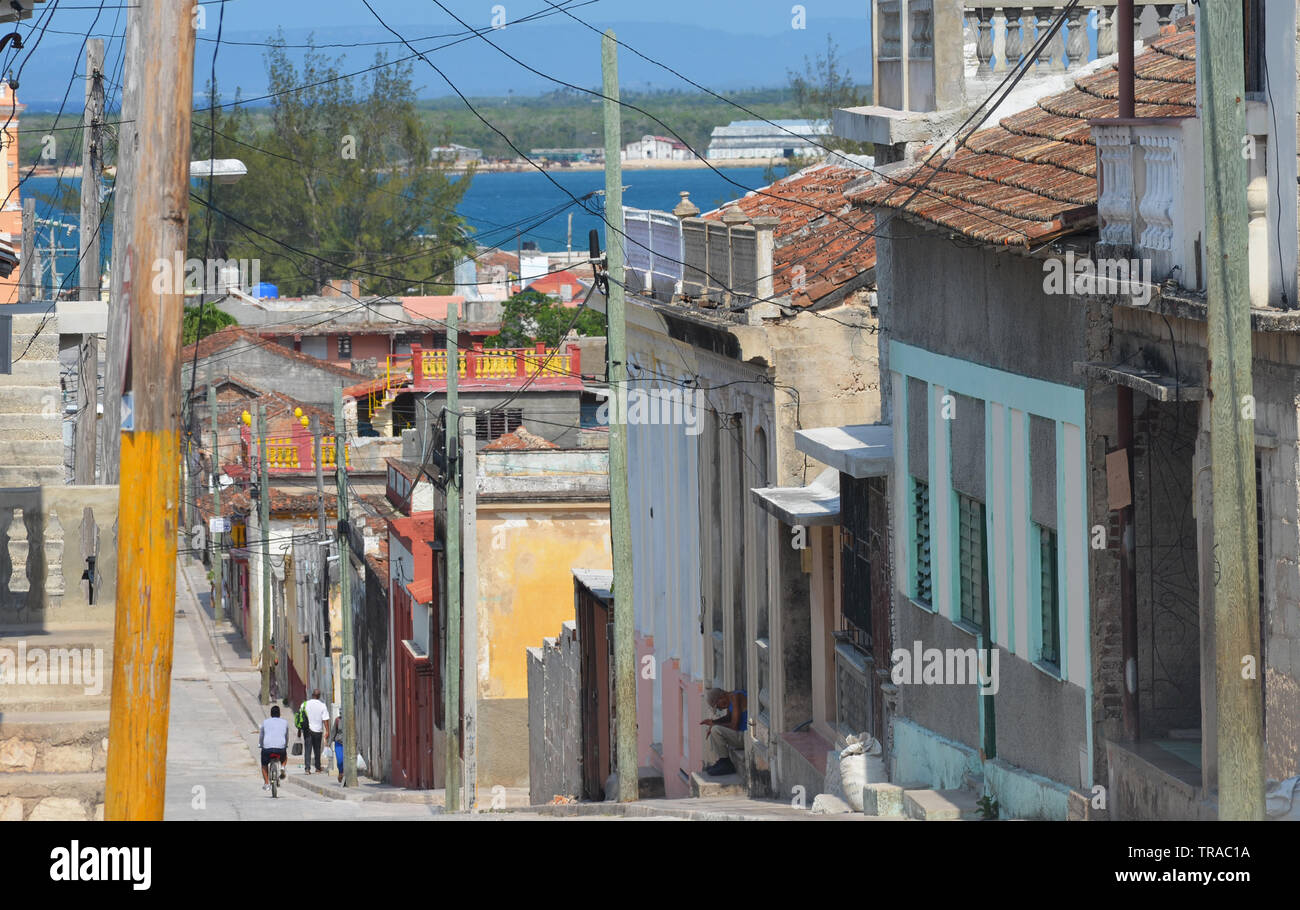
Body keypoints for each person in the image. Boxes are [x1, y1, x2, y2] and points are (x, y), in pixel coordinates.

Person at [699, 687, 747, 776]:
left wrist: (715, 725)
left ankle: (726, 763)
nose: (720, 709)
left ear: (722, 697)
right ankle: (722, 761)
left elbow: (734, 725)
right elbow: (728, 718)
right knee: (713, 729)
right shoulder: (730, 698)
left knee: (715, 730)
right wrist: (713, 722)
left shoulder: (735, 697)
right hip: (740, 736)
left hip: (745, 738)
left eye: (718, 706)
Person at [258, 705, 290, 791]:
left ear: (270, 714)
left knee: (264, 765)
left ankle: (266, 784)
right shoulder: (285, 722)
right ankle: (283, 767)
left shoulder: (265, 722)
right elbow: (286, 736)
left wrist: (260, 744)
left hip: (267, 748)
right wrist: (285, 745)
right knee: (284, 757)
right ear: (280, 714)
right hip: (280, 748)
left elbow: (261, 736)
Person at [301, 688, 330, 774]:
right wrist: (327, 731)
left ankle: (307, 769)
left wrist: (299, 731)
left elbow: (301, 718)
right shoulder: (322, 705)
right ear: (319, 696)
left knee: (307, 749)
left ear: (312, 695)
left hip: (307, 730)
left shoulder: (304, 704)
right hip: (318, 731)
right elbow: (325, 720)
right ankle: (317, 768)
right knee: (317, 750)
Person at [331, 713, 345, 786]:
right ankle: (341, 772)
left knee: (346, 760)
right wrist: (329, 742)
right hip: (338, 742)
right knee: (340, 760)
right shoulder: (337, 720)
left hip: (348, 744)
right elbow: (333, 731)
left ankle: (344, 775)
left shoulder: (351, 719)